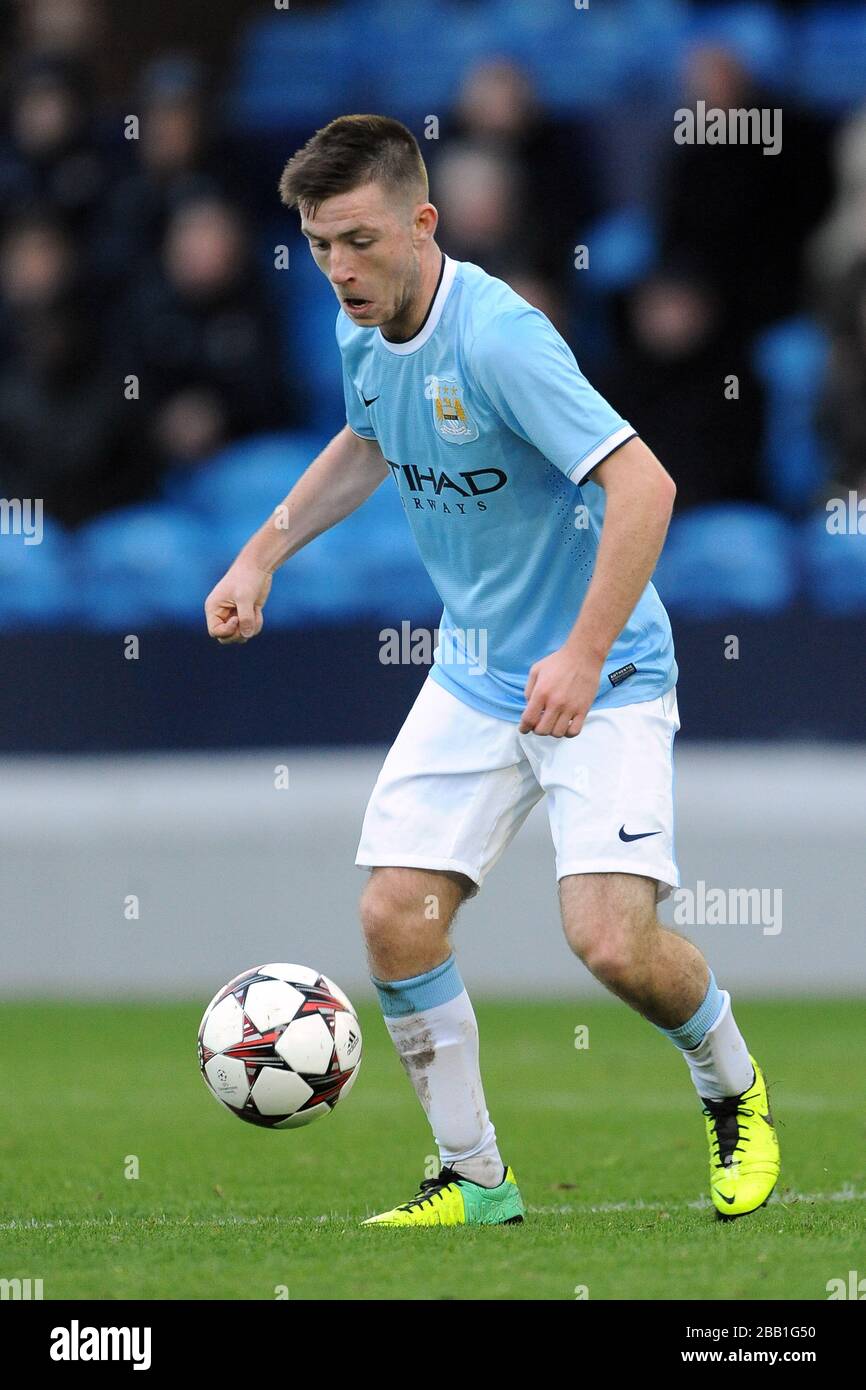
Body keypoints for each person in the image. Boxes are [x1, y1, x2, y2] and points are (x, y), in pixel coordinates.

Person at [204, 115, 780, 1227]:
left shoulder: (503, 338)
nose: (338, 268)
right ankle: (474, 1177)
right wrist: (259, 550)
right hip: (473, 676)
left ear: (424, 223)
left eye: (359, 240)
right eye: (320, 244)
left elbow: (644, 489)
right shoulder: (360, 327)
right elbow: (368, 438)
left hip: (598, 678)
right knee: (393, 919)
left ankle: (733, 1091)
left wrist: (579, 651)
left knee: (610, 943)